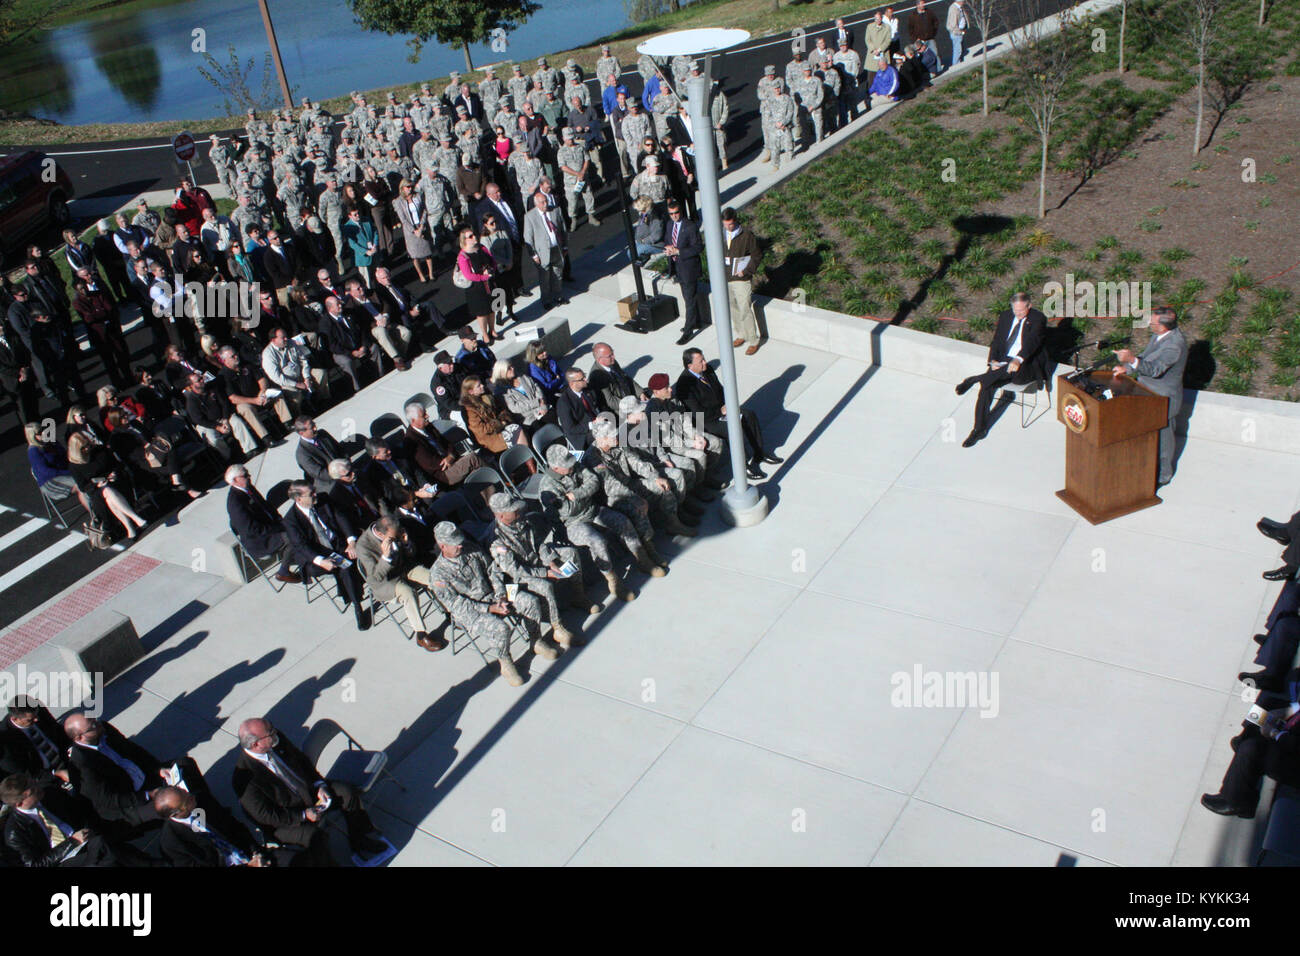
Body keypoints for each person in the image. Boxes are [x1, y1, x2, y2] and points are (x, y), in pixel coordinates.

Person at [232, 717, 387, 863]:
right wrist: (303, 815)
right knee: (316, 837)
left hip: (310, 793)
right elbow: (267, 816)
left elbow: (303, 761)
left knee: (347, 793)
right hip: (286, 820)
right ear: (256, 745)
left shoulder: (276, 740)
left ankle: (360, 840)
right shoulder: (244, 777)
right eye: (269, 733)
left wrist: (319, 784)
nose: (274, 733)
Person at [430, 521, 557, 686]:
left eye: (460, 541)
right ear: (443, 546)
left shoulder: (470, 548)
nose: (460, 546)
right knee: (501, 628)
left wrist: (501, 596)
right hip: (471, 612)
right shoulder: (438, 575)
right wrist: (490, 608)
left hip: (495, 595)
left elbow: (492, 569)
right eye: (455, 544)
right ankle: (505, 662)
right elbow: (456, 605)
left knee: (530, 601)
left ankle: (536, 640)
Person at [63, 712, 222, 835]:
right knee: (174, 804)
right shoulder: (82, 764)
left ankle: (211, 810)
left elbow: (134, 751)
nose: (98, 724)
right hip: (130, 802)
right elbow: (110, 800)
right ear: (80, 737)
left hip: (144, 778)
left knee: (185, 765)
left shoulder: (104, 729)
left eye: (95, 720)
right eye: (92, 726)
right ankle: (203, 834)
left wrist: (157, 769)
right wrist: (148, 795)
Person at [488, 492, 596, 640]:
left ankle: (578, 595)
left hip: (535, 562)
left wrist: (550, 561)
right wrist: (545, 572)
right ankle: (557, 627)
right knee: (545, 586)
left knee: (570, 553)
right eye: (513, 510)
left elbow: (538, 543)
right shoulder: (496, 541)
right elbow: (516, 571)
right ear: (501, 516)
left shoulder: (519, 519)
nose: (518, 511)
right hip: (516, 580)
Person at [539, 446, 640, 602]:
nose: (572, 466)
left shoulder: (574, 466)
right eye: (567, 466)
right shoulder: (548, 487)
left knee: (622, 521)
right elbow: (567, 511)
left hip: (592, 510)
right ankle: (612, 579)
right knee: (597, 541)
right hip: (571, 524)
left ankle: (642, 557)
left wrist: (576, 494)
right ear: (556, 468)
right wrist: (585, 494)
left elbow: (594, 481)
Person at [955, 292, 1049, 448]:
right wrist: (993, 361)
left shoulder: (1038, 318)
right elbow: (997, 340)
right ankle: (979, 429)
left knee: (1003, 372)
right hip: (1005, 361)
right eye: (1015, 310)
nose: (1017, 314)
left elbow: (1033, 343)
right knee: (987, 386)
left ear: (1029, 306)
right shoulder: (1006, 316)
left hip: (1025, 364)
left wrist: (1018, 359)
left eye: (1021, 311)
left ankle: (974, 379)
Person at [676, 348, 781, 480]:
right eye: (701, 361)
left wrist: (729, 404)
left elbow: (720, 390)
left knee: (749, 416)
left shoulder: (707, 370)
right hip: (706, 420)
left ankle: (759, 453)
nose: (705, 362)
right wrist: (720, 411)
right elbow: (698, 413)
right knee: (732, 428)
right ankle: (742, 467)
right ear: (690, 366)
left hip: (722, 409)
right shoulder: (684, 385)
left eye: (704, 359)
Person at [1112, 306, 1189, 486]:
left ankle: (1163, 475)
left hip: (1163, 399)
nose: (1149, 324)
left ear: (1163, 326)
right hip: (1148, 394)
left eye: (1152, 323)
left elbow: (1155, 369)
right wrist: (1127, 368)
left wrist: (1131, 360)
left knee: (1163, 441)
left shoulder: (1174, 345)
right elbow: (1146, 357)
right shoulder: (1159, 335)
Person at [281, 480, 371, 630]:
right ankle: (357, 604)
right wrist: (321, 560)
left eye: (314, 490)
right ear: (299, 499)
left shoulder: (323, 499)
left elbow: (341, 518)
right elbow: (301, 545)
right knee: (345, 567)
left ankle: (353, 599)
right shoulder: (291, 520)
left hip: (337, 545)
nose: (315, 495)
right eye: (311, 494)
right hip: (317, 554)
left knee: (347, 564)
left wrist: (351, 541)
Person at [1, 773, 142, 867]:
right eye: (32, 791)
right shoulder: (15, 832)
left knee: (109, 844)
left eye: (35, 784)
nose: (38, 788)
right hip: (64, 858)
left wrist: (88, 830)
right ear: (19, 803)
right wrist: (73, 842)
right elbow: (35, 864)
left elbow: (78, 810)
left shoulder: (49, 795)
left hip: (85, 836)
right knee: (103, 847)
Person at [356, 516, 444, 651]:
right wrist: (385, 557)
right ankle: (421, 634)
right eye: (392, 537)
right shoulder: (363, 546)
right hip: (386, 581)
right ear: (380, 534)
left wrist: (407, 544)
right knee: (408, 593)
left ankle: (450, 609)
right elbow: (375, 577)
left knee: (435, 579)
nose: (395, 537)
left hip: (404, 568)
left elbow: (411, 555)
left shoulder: (395, 529)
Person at [226, 464, 301, 584]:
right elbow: (252, 530)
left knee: (299, 523)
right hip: (261, 540)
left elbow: (266, 506)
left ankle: (304, 557)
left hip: (271, 527)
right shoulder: (235, 503)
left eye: (248, 473)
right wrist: (279, 527)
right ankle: (284, 571)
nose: (249, 476)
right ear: (235, 480)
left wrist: (280, 521)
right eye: (245, 475)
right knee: (293, 535)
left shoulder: (248, 488)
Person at [67, 429, 147, 539]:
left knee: (109, 498)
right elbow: (83, 486)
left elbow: (117, 464)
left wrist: (114, 473)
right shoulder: (74, 466)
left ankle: (130, 527)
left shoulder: (100, 450)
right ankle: (135, 519)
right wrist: (97, 484)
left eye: (87, 445)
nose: (87, 448)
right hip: (97, 491)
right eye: (83, 448)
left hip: (116, 482)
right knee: (107, 491)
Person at [404, 401, 488, 488]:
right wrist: (449, 460)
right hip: (442, 474)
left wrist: (451, 456)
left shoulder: (428, 426)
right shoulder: (411, 440)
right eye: (423, 415)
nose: (427, 416)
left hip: (452, 461)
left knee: (476, 472)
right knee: (473, 459)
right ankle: (497, 481)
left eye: (426, 413)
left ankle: (490, 491)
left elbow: (447, 443)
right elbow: (430, 463)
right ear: (413, 420)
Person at [0, 700, 73, 789]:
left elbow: (58, 731)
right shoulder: (5, 740)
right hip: (45, 778)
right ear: (15, 719)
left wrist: (71, 747)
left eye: (36, 715)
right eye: (30, 719)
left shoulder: (38, 710)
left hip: (66, 758)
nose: (37, 719)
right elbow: (25, 773)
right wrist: (56, 774)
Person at [721, 207, 764, 355]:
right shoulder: (720, 234)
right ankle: (741, 334)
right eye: (725, 224)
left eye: (730, 224)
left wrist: (745, 271)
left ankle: (753, 340)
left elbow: (757, 256)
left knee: (745, 307)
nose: (728, 227)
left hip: (741, 278)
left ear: (736, 221)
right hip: (726, 277)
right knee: (732, 306)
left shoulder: (746, 235)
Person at [663, 201, 704, 345]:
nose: (674, 216)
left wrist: (679, 251)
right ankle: (695, 321)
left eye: (676, 213)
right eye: (671, 214)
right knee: (688, 298)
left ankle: (688, 331)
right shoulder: (670, 225)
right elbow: (667, 239)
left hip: (689, 269)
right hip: (677, 267)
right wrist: (668, 247)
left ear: (681, 212)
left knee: (689, 300)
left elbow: (698, 247)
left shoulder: (690, 226)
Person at [26, 423, 90, 513]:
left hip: (65, 471)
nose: (43, 433)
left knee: (89, 475)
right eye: (39, 432)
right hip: (51, 481)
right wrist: (69, 472)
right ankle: (95, 514)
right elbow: (46, 471)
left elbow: (65, 454)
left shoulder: (51, 441)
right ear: (32, 436)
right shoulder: (34, 451)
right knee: (80, 484)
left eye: (43, 430)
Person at [523, 188, 568, 312]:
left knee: (558, 274)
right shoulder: (530, 217)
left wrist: (565, 246)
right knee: (545, 278)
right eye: (542, 202)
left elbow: (563, 228)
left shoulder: (555, 210)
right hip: (542, 252)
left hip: (556, 248)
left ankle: (558, 296)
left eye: (546, 201)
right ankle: (546, 300)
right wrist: (533, 255)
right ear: (536, 203)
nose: (545, 204)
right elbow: (528, 237)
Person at [460, 375, 527, 455]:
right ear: (471, 392)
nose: (482, 385)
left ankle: (525, 458)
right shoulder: (469, 409)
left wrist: (504, 419)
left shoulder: (487, 396)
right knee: (516, 430)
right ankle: (527, 459)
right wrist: (499, 423)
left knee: (520, 427)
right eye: (479, 386)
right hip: (489, 438)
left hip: (501, 428)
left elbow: (501, 410)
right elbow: (481, 430)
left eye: (481, 383)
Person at [455, 226, 500, 345]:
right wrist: (484, 277)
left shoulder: (482, 248)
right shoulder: (463, 257)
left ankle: (492, 330)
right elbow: (469, 275)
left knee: (492, 309)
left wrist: (492, 270)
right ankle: (485, 334)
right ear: (464, 240)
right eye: (470, 236)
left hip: (489, 284)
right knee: (482, 313)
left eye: (473, 234)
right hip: (476, 288)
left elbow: (492, 260)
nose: (474, 237)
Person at [392, 179, 434, 283]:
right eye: (408, 187)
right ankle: (421, 275)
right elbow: (403, 219)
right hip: (410, 230)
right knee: (415, 255)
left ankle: (431, 273)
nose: (410, 189)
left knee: (428, 252)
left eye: (411, 186)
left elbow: (424, 210)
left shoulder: (418, 196)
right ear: (402, 188)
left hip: (421, 226)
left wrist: (421, 226)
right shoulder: (398, 201)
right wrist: (414, 231)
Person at [587, 342, 645, 415]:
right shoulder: (598, 376)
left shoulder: (612, 362)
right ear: (599, 360)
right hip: (621, 410)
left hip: (631, 398)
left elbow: (625, 377)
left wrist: (640, 393)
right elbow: (610, 401)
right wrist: (632, 405)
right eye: (609, 356)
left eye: (612, 353)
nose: (614, 357)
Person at [293, 416, 345, 491]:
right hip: (330, 484)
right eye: (312, 428)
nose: (315, 428)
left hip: (344, 470)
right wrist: (341, 475)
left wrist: (347, 466)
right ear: (301, 433)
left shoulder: (322, 434)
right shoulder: (302, 454)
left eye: (314, 424)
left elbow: (340, 450)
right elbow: (320, 473)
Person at [525, 340, 564, 405]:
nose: (545, 353)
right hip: (548, 394)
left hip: (559, 386)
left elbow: (560, 373)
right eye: (541, 352)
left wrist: (559, 379)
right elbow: (545, 387)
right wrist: (557, 380)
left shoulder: (549, 358)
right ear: (534, 355)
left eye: (544, 350)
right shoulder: (533, 369)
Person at [908, 0, 942, 70]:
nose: (923, 5)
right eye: (922, 4)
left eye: (924, 3)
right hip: (920, 41)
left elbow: (935, 22)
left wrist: (933, 33)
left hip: (930, 38)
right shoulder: (912, 16)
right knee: (922, 57)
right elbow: (910, 29)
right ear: (917, 5)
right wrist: (915, 39)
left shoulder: (929, 12)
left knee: (935, 53)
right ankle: (925, 71)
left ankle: (938, 69)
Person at [632, 197, 665, 262]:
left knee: (636, 253)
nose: (639, 211)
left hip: (656, 245)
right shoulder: (644, 214)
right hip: (643, 241)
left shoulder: (655, 216)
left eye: (640, 210)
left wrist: (644, 241)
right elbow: (640, 228)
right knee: (631, 252)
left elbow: (656, 236)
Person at [947, 0, 968, 70]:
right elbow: (953, 25)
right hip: (956, 34)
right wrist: (960, 32)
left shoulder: (959, 7)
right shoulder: (954, 9)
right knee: (958, 51)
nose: (964, 2)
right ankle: (956, 68)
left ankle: (960, 64)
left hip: (960, 32)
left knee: (961, 50)